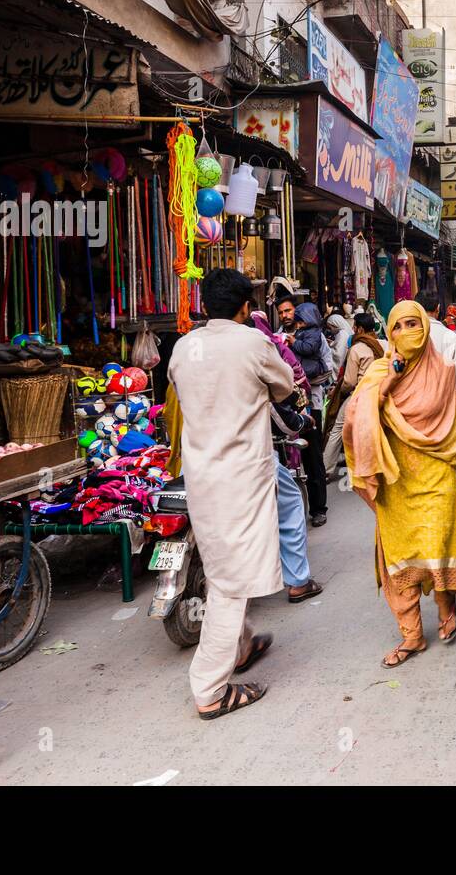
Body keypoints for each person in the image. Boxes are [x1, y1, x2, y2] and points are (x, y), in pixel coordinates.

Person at [168, 269, 295, 719]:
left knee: (224, 565)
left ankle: (241, 645)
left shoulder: (184, 348)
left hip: (201, 479)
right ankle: (210, 689)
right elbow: (286, 386)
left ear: (204, 306)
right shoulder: (252, 343)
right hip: (241, 478)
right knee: (229, 583)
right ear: (245, 308)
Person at [342, 301, 456, 669]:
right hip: (396, 480)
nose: (407, 332)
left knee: (440, 545)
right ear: (389, 333)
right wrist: (391, 379)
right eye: (398, 326)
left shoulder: (444, 371)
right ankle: (412, 634)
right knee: (399, 555)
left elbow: (455, 423)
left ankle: (446, 607)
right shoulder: (377, 371)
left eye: (413, 323)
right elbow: (355, 419)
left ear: (425, 325)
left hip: (437, 475)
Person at [248, 312, 323, 603]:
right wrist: (302, 420)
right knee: (290, 505)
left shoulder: (188, 349)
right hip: (250, 454)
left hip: (199, 459)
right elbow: (282, 399)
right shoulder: (259, 346)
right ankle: (298, 582)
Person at [286, 301, 331, 526]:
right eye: (282, 312)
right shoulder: (278, 338)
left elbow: (327, 364)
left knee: (312, 457)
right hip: (286, 406)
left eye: (289, 311)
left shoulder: (313, 336)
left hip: (310, 404)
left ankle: (318, 509)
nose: (286, 315)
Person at [323, 312, 384, 476]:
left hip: (359, 394)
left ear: (360, 329)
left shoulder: (357, 348)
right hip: (379, 394)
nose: (352, 329)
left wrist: (339, 393)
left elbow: (349, 381)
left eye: (354, 326)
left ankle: (326, 469)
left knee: (337, 428)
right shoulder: (381, 345)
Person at [417, 290, 456, 405]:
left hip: (411, 411)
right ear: (438, 308)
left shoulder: (405, 336)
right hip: (444, 407)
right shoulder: (450, 336)